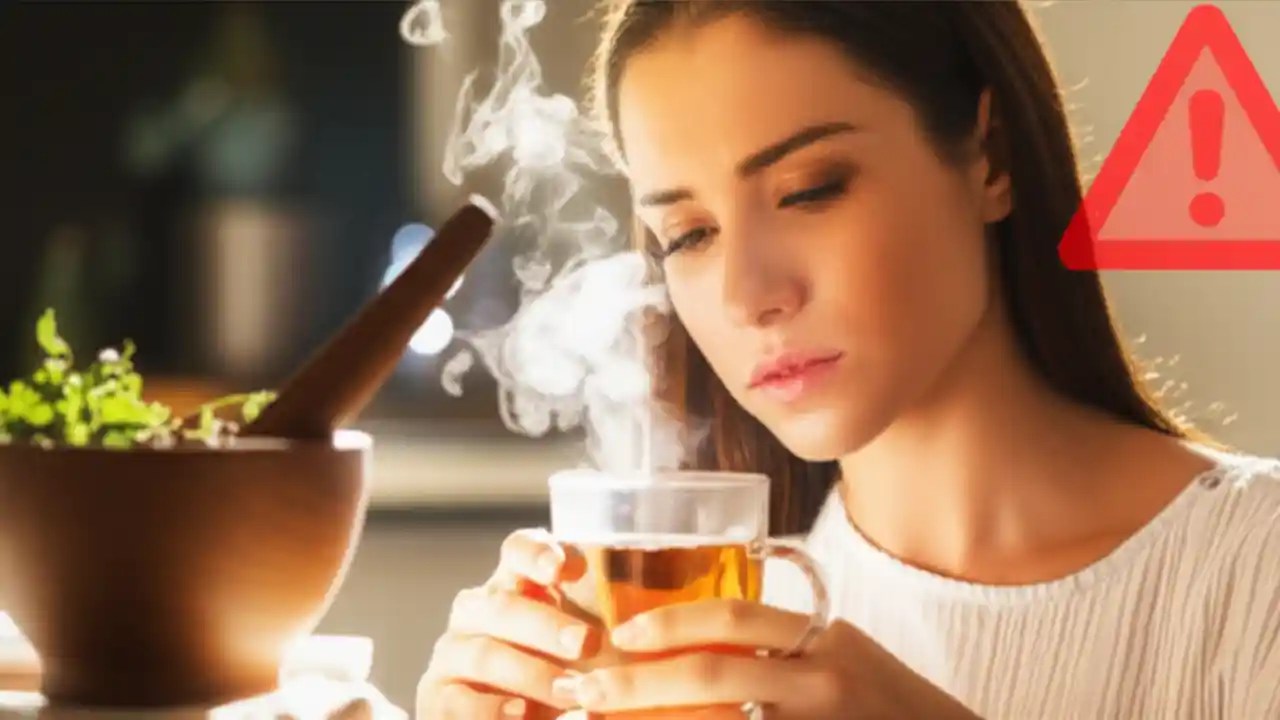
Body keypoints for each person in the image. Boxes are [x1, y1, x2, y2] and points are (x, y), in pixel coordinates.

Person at [416, 2, 1280, 718]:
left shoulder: (1253, 571)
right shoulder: (718, 630)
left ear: (992, 158)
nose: (748, 293)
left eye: (809, 190)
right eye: (689, 234)